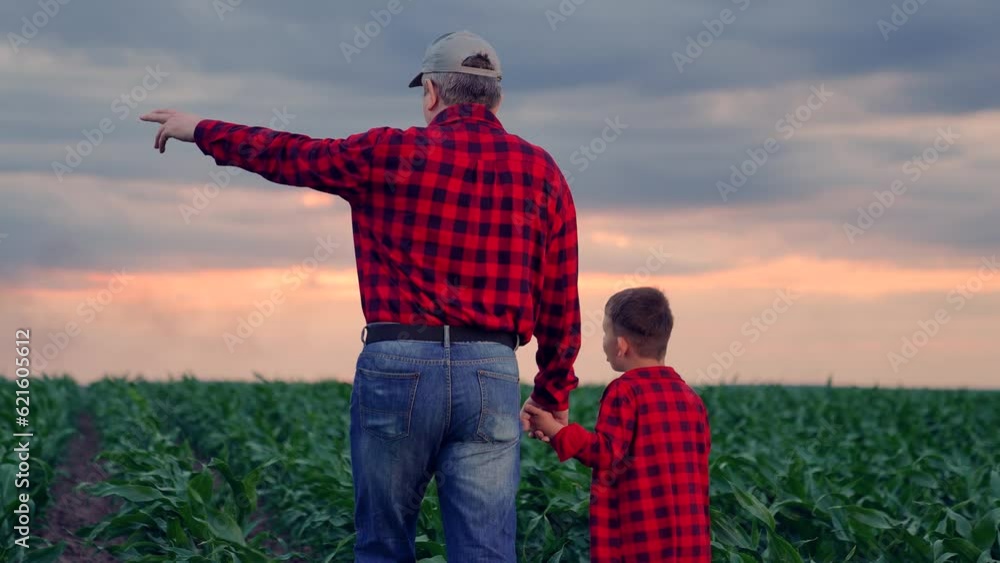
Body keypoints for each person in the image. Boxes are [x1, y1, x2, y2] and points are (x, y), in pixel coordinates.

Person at [139, 31, 580, 562]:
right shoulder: (541, 171)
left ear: (433, 93)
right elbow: (560, 300)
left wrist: (204, 130)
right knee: (486, 552)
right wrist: (552, 394)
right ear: (496, 98)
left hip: (399, 364)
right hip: (490, 369)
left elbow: (292, 155)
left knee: (383, 546)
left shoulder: (389, 151)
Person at [524, 287, 711, 562]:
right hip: (689, 545)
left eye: (605, 332)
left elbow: (606, 453)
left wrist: (556, 431)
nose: (603, 341)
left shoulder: (625, 392)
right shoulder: (691, 399)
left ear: (621, 345)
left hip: (639, 543)